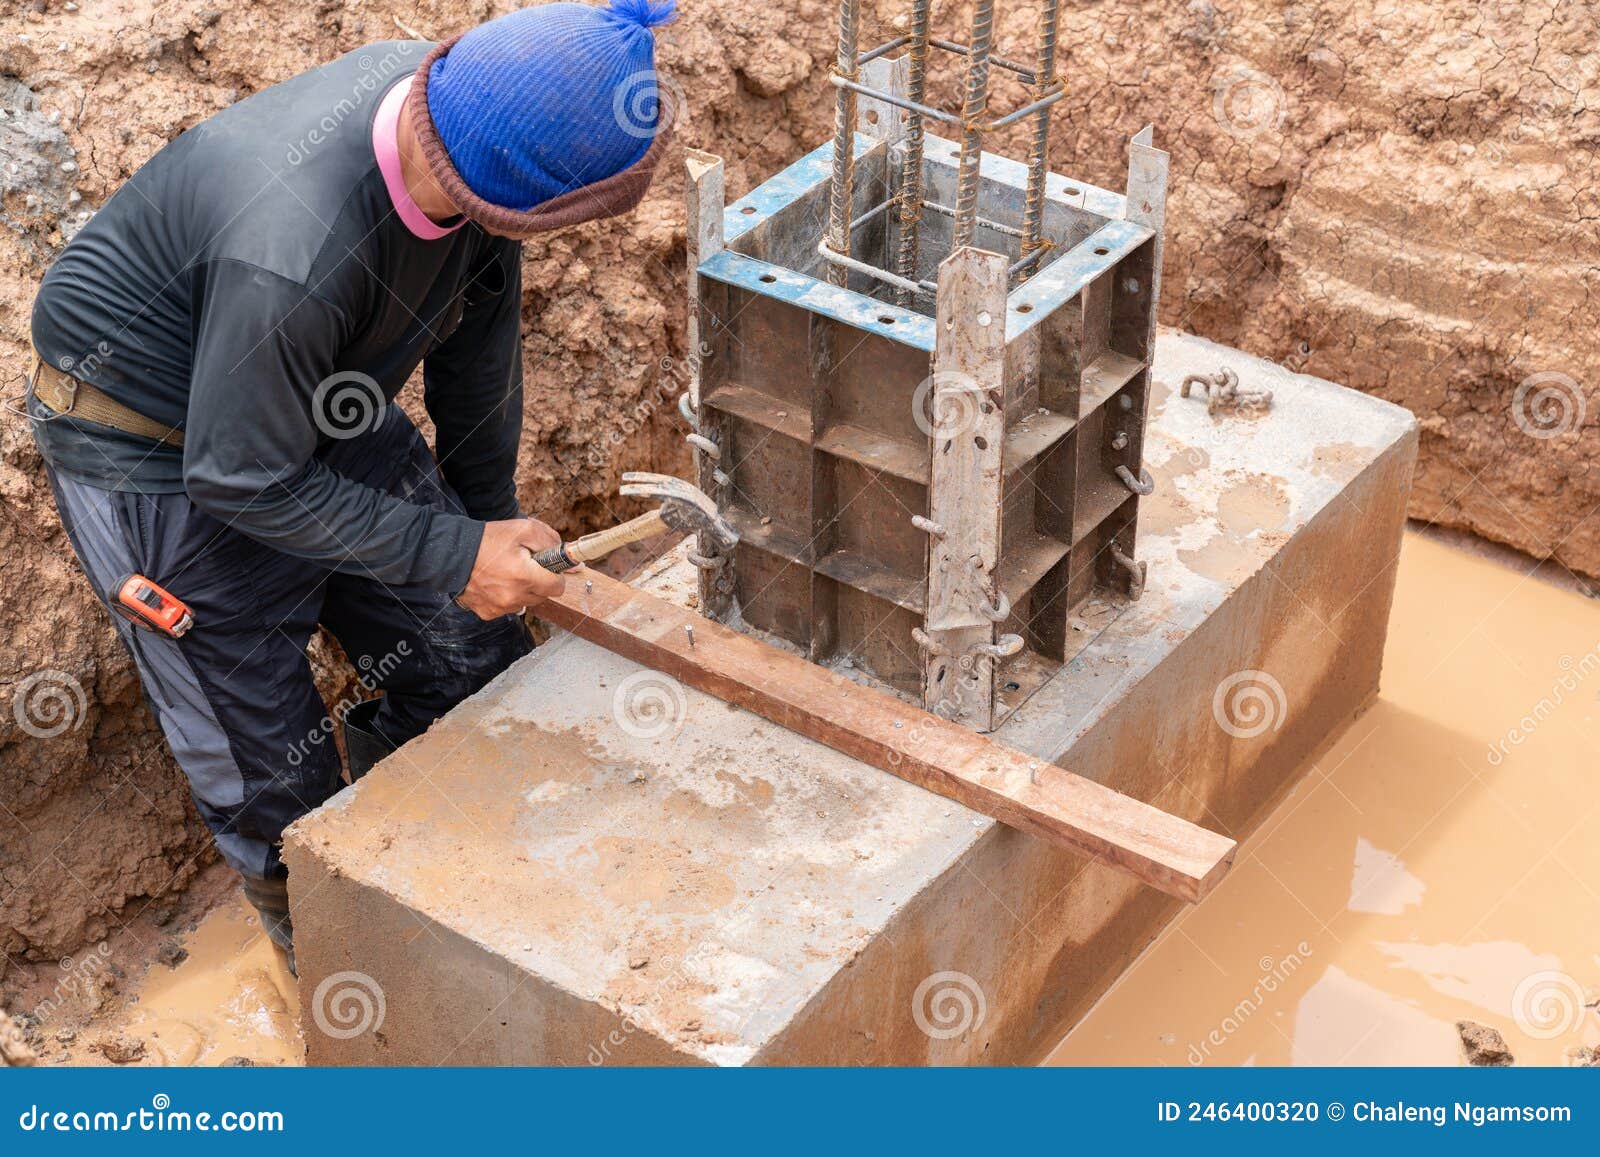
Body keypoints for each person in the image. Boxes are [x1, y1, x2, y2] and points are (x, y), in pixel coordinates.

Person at [23, 0, 677, 972]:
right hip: (160, 451)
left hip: (311, 392)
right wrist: (453, 551)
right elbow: (237, 475)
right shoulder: (293, 248)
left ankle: (434, 862)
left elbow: (478, 328)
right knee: (275, 782)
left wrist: (482, 516)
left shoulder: (466, 113)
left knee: (467, 659)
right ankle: (345, 974)